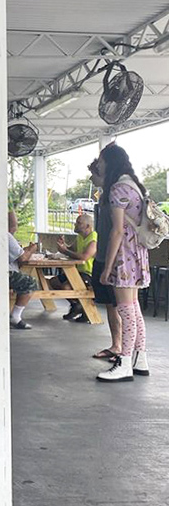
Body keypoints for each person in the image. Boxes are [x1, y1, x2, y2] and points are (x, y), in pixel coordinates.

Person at [95, 143, 151, 383]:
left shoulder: (118, 189)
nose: (99, 165)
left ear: (110, 162)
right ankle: (140, 359)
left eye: (101, 161)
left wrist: (107, 268)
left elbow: (117, 232)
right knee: (134, 309)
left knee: (125, 310)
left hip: (124, 257)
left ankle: (124, 361)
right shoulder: (134, 186)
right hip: (138, 255)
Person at [88, 157, 122, 361]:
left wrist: (110, 265)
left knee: (122, 306)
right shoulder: (102, 198)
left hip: (115, 260)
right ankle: (116, 345)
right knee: (110, 304)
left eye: (95, 173)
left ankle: (126, 349)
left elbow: (117, 231)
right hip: (100, 258)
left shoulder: (116, 196)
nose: (92, 178)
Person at [50, 213, 97, 321]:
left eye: (79, 223)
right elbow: (72, 250)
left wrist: (65, 250)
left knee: (66, 287)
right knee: (53, 282)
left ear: (87, 226)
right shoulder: (80, 237)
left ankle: (86, 307)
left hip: (88, 273)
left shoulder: (93, 239)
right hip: (77, 271)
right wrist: (64, 246)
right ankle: (76, 305)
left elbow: (84, 257)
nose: (75, 225)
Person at [8, 227, 39, 329]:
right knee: (29, 282)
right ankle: (15, 316)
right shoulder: (7, 236)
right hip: (7, 273)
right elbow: (23, 258)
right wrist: (31, 249)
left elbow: (18, 253)